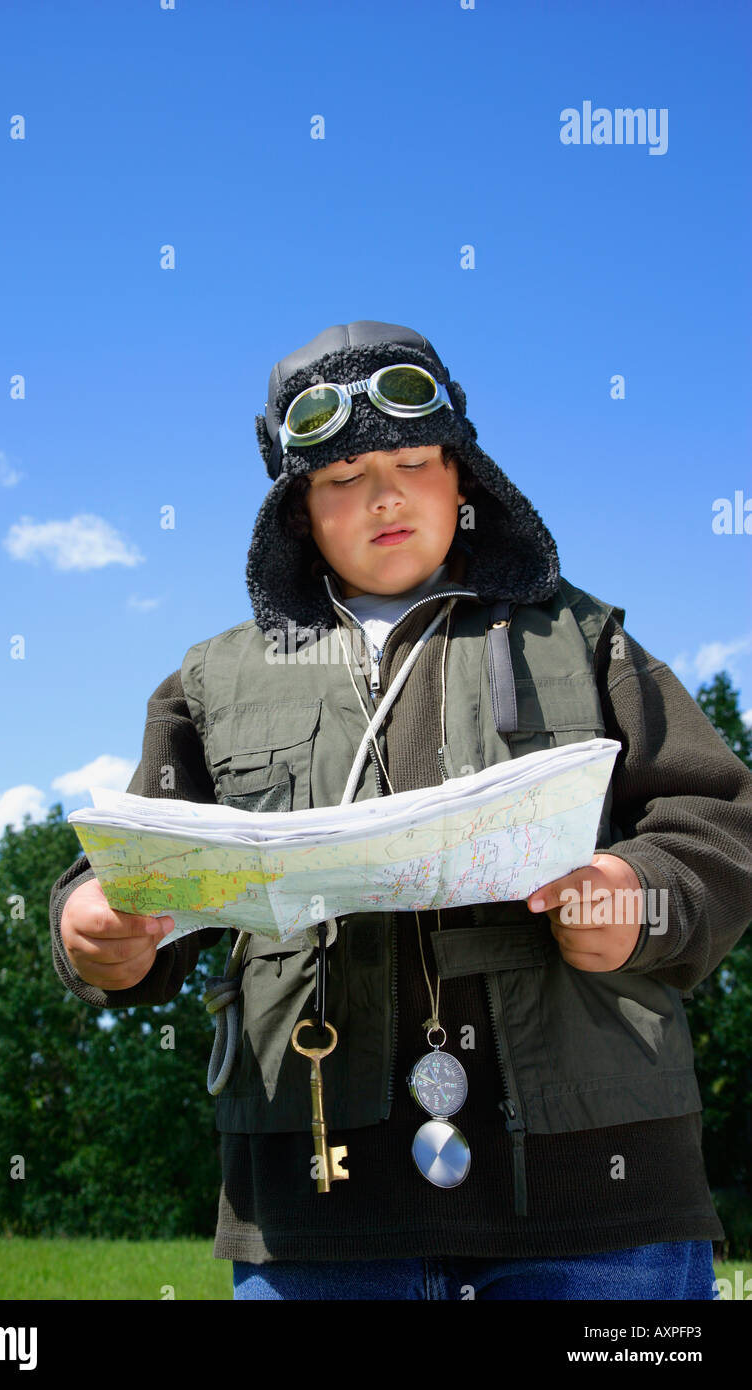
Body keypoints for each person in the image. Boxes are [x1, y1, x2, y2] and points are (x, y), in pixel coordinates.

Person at [48, 320, 752, 1301]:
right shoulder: (211, 679)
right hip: (317, 1210)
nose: (383, 495)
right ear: (297, 512)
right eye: (341, 477)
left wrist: (638, 894)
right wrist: (96, 930)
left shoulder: (581, 636)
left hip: (597, 1196)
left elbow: (721, 816)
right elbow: (152, 857)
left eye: (414, 462)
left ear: (464, 479)